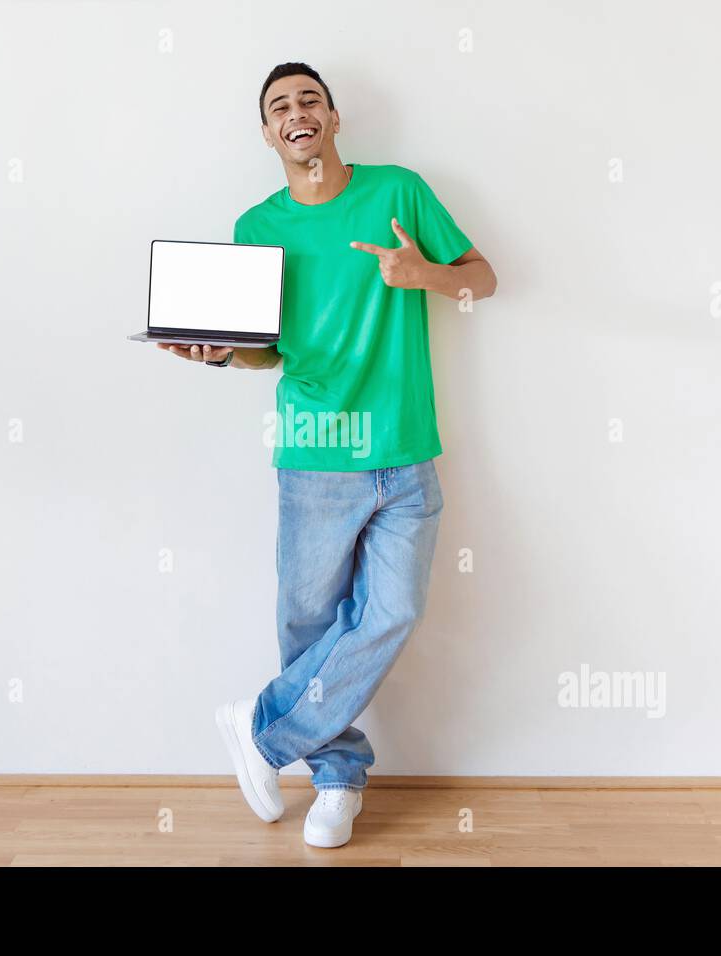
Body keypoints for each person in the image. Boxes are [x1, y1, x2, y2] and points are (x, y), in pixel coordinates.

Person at [160, 62, 497, 848]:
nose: (296, 112)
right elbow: (264, 354)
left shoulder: (399, 192)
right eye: (279, 106)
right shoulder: (257, 228)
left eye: (309, 99)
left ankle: (264, 732)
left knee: (394, 611)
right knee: (309, 625)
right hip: (314, 452)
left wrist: (425, 275)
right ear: (269, 133)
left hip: (406, 449)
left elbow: (485, 279)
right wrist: (216, 356)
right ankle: (337, 779)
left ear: (334, 118)